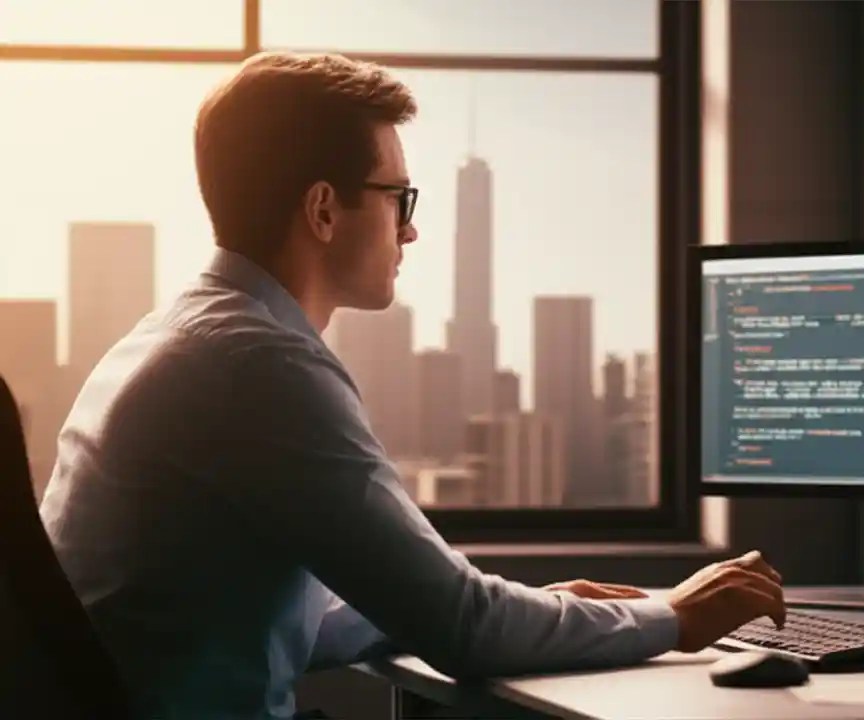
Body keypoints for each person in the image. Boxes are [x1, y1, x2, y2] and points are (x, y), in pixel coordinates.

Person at [38, 51, 787, 719]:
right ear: (324, 209)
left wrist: (539, 606)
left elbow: (316, 621)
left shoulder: (177, 336)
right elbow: (464, 629)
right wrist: (674, 616)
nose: (410, 230)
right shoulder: (260, 367)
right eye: (401, 197)